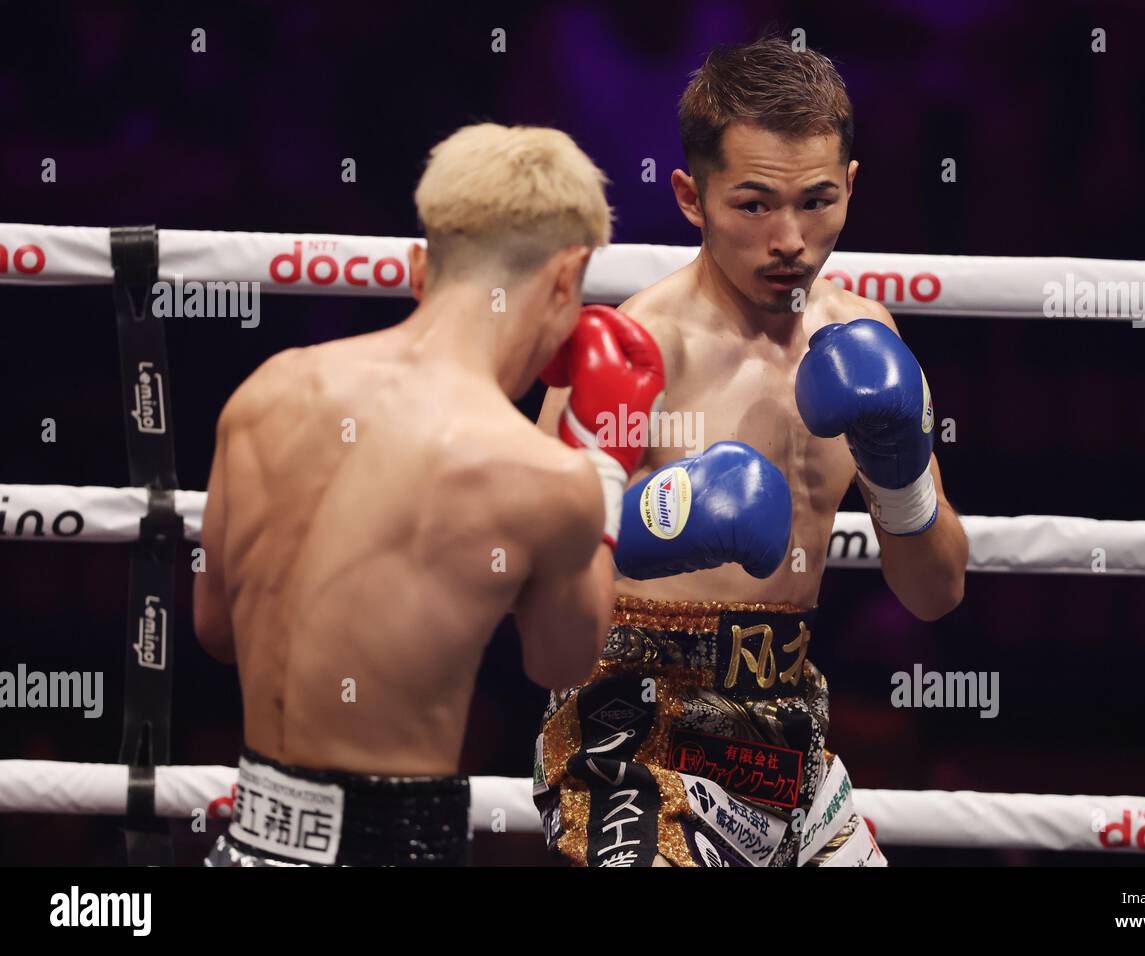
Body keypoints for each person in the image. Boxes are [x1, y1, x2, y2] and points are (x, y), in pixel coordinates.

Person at [533, 38, 969, 867]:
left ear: (850, 185)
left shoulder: (869, 340)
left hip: (792, 731)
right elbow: (529, 608)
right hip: (631, 735)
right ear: (692, 198)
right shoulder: (631, 352)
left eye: (815, 202)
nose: (791, 239)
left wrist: (901, 470)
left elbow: (935, 593)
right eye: (755, 204)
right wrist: (649, 530)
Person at [194, 123, 663, 866]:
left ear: (420, 264)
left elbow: (215, 628)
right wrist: (603, 466)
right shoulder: (541, 475)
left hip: (245, 840)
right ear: (568, 278)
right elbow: (563, 661)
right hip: (393, 846)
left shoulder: (265, 390)